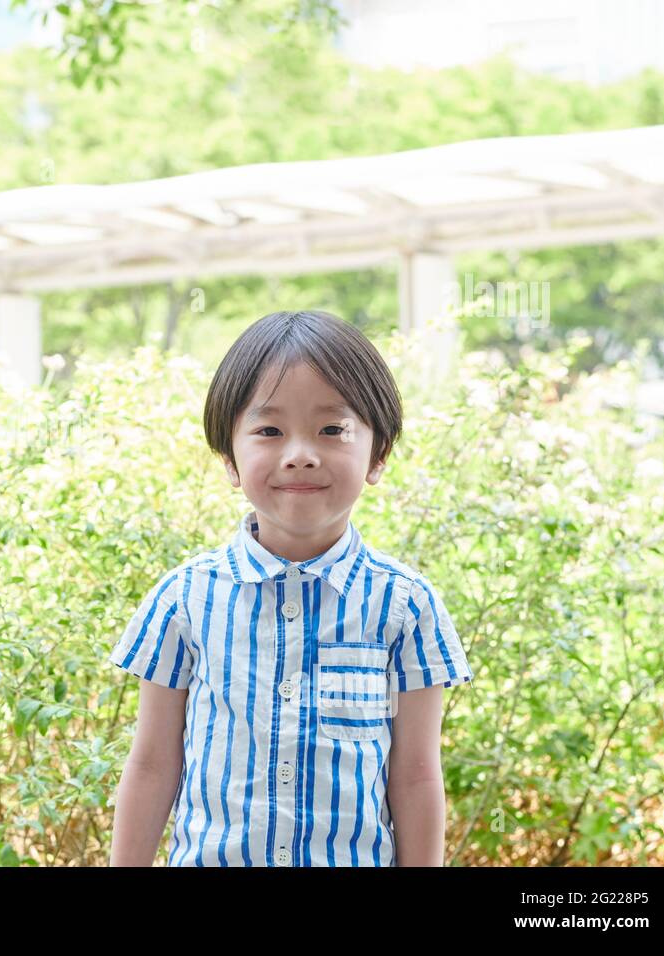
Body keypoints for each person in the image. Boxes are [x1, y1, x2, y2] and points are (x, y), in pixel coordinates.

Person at [109, 309, 473, 867]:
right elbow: (154, 764)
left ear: (379, 455)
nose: (299, 452)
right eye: (269, 430)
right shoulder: (184, 600)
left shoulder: (406, 607)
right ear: (229, 458)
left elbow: (418, 774)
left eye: (332, 429)